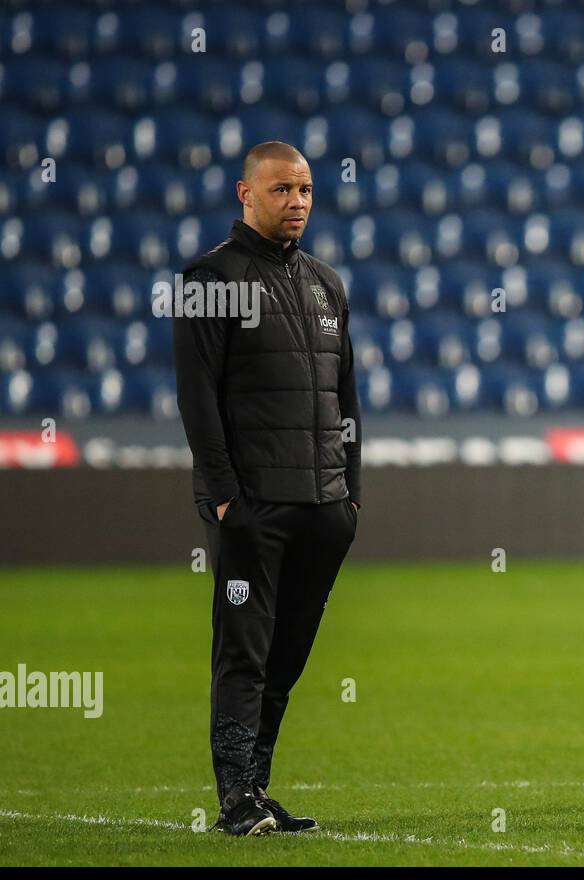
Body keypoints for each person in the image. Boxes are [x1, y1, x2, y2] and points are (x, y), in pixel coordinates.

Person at [173, 141, 362, 835]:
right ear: (244, 194)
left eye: (307, 190)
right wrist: (225, 499)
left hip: (323, 507)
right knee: (244, 654)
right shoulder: (209, 279)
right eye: (283, 190)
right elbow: (197, 399)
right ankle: (234, 801)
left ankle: (256, 789)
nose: (299, 202)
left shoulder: (325, 283)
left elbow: (346, 402)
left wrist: (351, 496)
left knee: (286, 658)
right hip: (252, 509)